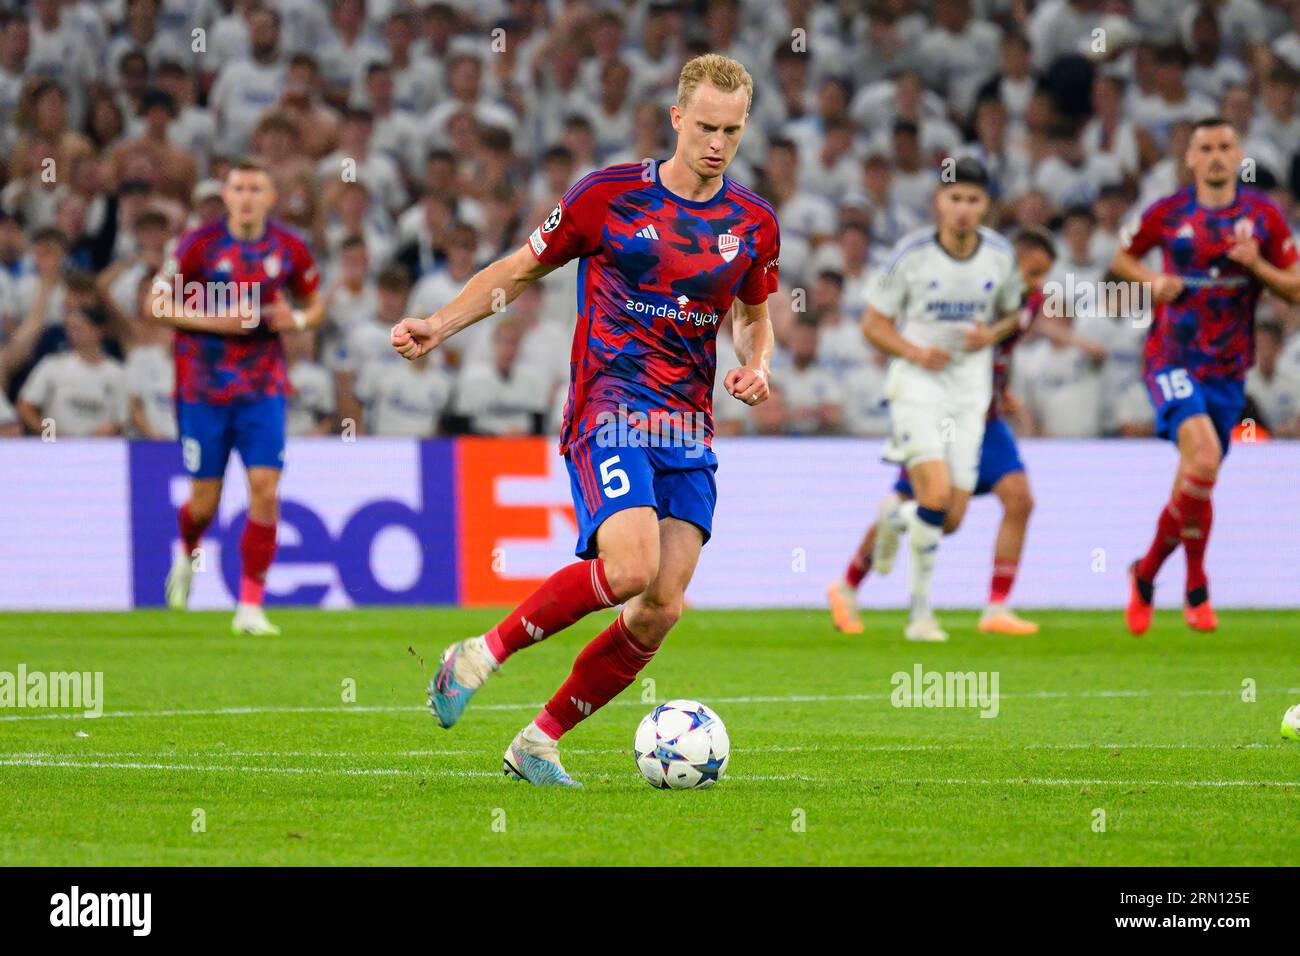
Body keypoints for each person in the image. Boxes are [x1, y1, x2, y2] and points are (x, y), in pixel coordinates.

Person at [390, 54, 779, 786]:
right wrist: (440, 325)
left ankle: (537, 743)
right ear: (676, 117)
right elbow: (517, 270)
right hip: (610, 408)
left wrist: (758, 365)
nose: (716, 143)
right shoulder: (607, 197)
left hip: (687, 429)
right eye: (703, 126)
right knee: (630, 568)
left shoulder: (753, 223)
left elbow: (755, 317)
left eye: (730, 130)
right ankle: (477, 655)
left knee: (661, 607)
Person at [1111, 117, 1300, 634]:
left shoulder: (1263, 218)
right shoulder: (1169, 213)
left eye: (1225, 146)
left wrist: (1257, 267)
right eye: (1205, 148)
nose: (1216, 156)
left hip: (1227, 371)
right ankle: (1195, 584)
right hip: (1171, 358)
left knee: (1199, 477)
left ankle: (1147, 572)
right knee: (1206, 458)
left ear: (1238, 155)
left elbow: (1296, 288)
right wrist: (1153, 279)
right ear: (1190, 159)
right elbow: (1119, 260)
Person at [829, 227, 1056, 636]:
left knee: (1014, 501)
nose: (1036, 285)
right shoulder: (968, 294)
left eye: (1043, 276)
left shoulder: (1025, 305)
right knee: (935, 509)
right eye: (1032, 273)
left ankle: (997, 608)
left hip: (983, 415)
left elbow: (997, 352)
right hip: (936, 411)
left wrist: (1003, 392)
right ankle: (848, 585)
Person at [149, 158, 322, 635]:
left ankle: (250, 607)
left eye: (256, 188)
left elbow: (314, 301)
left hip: (262, 388)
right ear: (225, 196)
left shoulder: (289, 248)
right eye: (238, 188)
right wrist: (216, 322)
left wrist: (301, 321)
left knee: (265, 489)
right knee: (204, 503)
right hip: (202, 389)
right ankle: (187, 550)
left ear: (271, 197)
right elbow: (155, 303)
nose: (246, 196)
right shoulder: (198, 245)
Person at [857, 158, 1025, 642]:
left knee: (949, 518)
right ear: (939, 202)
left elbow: (1015, 313)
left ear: (986, 205)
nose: (963, 209)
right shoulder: (911, 255)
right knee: (932, 495)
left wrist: (990, 331)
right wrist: (914, 351)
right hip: (917, 387)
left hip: (970, 394)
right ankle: (920, 615)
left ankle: (895, 517)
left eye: (973, 200)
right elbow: (873, 323)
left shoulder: (1000, 255)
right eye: (955, 199)